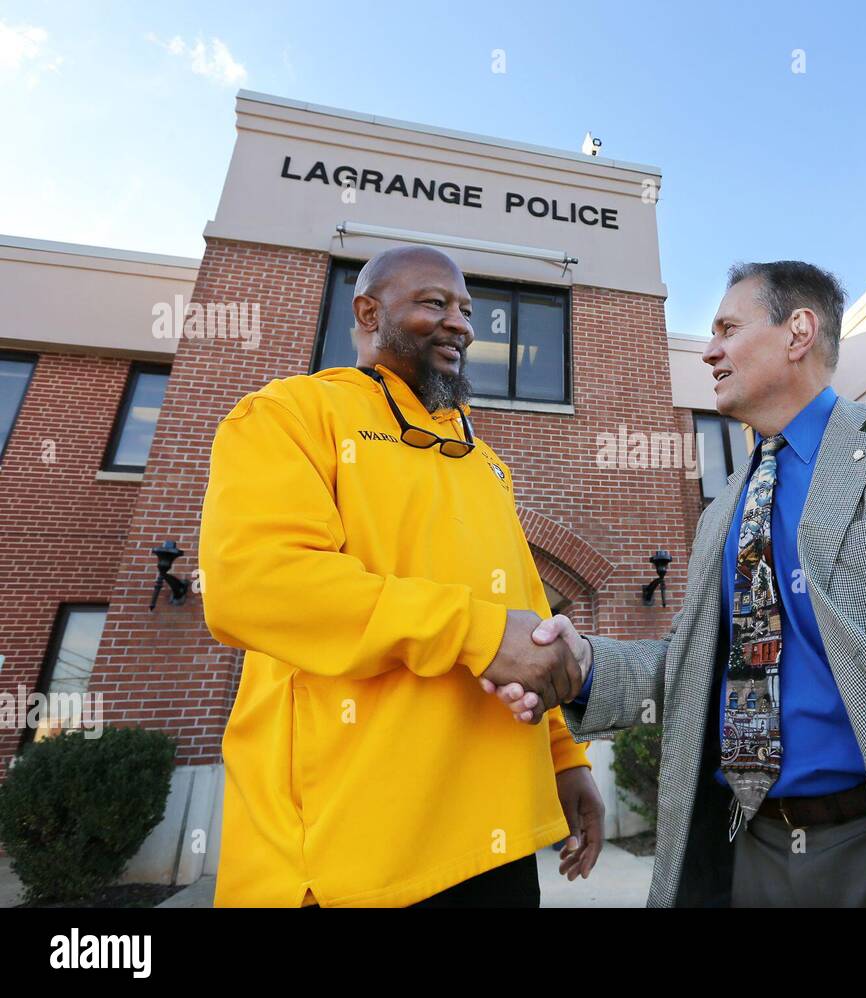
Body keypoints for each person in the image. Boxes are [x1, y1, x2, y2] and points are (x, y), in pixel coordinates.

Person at [486, 260, 866, 908]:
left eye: (727, 328)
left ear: (798, 333)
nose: (708, 351)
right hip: (752, 855)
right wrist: (580, 662)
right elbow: (690, 669)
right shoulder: (722, 515)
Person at [199, 245, 602, 907]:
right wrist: (474, 631)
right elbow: (254, 583)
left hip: (496, 846)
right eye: (434, 303)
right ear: (368, 311)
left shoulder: (485, 465)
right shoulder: (289, 414)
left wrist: (564, 758)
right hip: (352, 867)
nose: (462, 325)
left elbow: (527, 625)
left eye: (467, 311)